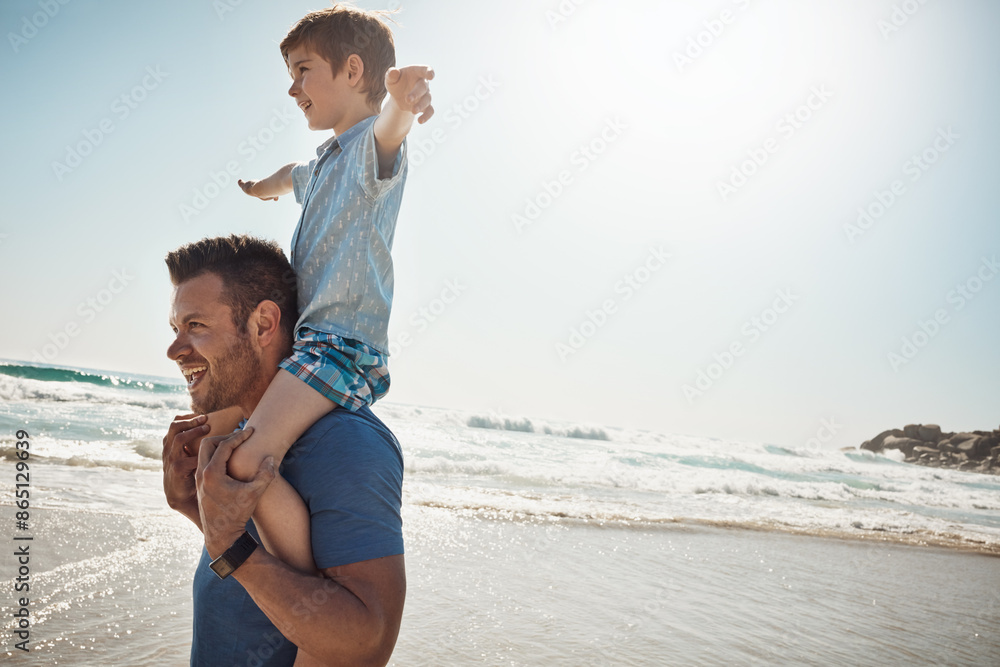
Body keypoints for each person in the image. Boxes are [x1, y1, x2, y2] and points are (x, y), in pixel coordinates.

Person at [222, 5, 434, 574]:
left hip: (340, 346)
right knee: (220, 435)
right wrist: (258, 190)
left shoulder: (371, 147)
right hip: (308, 345)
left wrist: (401, 101)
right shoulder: (322, 164)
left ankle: (304, 582)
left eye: (303, 70)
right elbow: (291, 175)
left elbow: (391, 130)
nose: (293, 88)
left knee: (246, 457)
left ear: (354, 71)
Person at [161, 234, 405, 666]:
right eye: (176, 329)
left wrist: (229, 546)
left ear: (263, 325)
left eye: (195, 326)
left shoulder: (344, 442)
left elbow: (368, 643)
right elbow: (259, 575)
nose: (175, 350)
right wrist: (191, 507)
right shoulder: (243, 433)